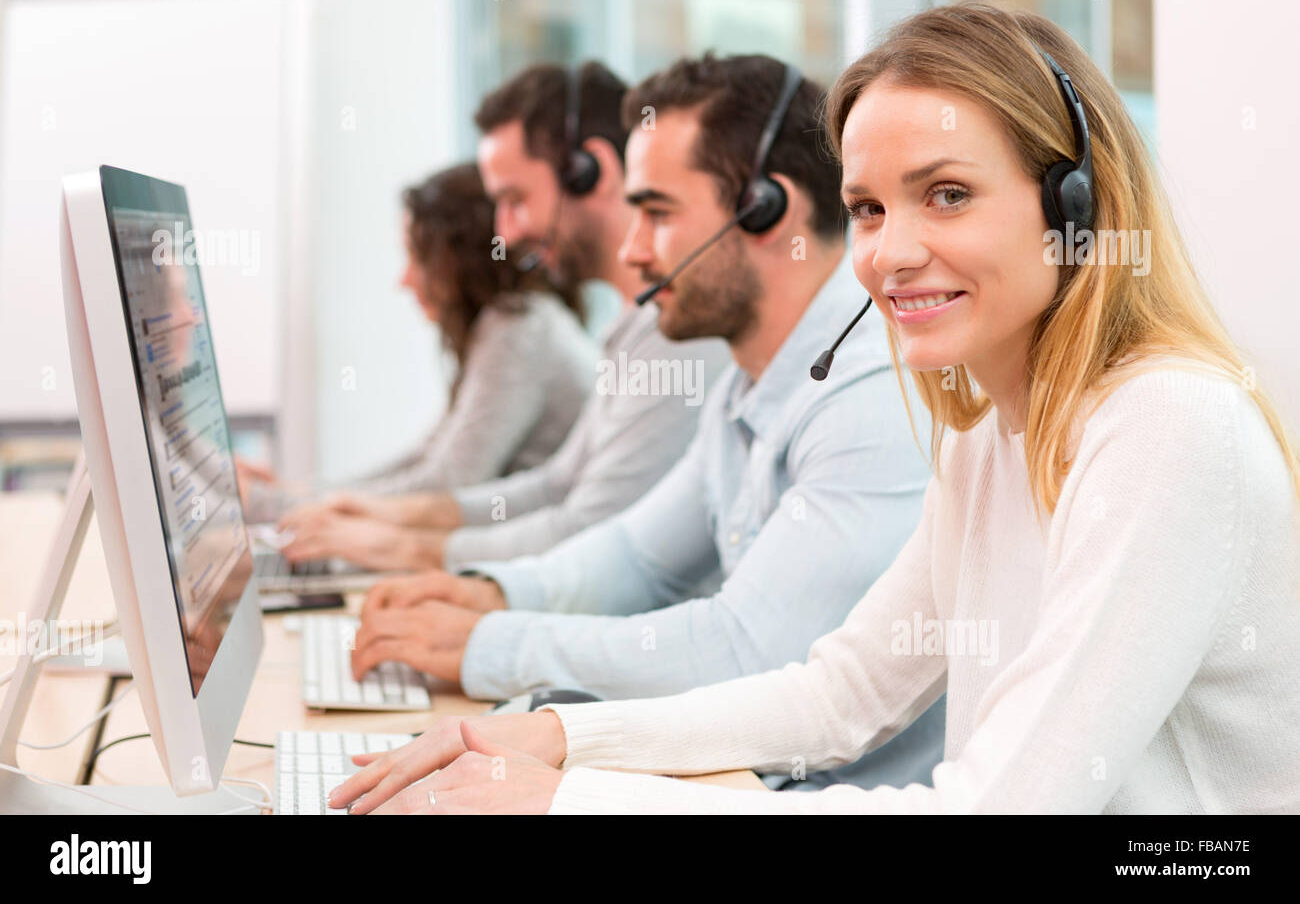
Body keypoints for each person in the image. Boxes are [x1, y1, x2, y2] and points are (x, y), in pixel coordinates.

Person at [330, 4, 1300, 815]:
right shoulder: (987, 434)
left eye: (948, 194)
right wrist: (553, 731)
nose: (888, 251)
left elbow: (996, 807)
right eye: (871, 207)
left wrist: (563, 794)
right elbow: (839, 694)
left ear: (1073, 207)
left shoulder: (1167, 426)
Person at [343, 53, 947, 796]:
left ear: (765, 209)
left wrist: (487, 643)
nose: (634, 250)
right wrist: (489, 592)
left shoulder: (872, 392)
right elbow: (635, 556)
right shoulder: (747, 384)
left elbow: (743, 649)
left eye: (657, 214)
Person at [272, 62, 730, 571]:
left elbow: (585, 530)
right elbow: (556, 486)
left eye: (515, 200)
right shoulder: (631, 328)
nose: (505, 235)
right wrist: (379, 515)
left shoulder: (675, 333)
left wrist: (396, 542)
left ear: (588, 171)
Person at [237, 163, 597, 528]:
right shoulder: (506, 325)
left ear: (462, 260)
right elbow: (425, 460)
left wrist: (277, 505)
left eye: (418, 258)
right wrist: (298, 496)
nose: (404, 280)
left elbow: (447, 483)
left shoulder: (520, 331)